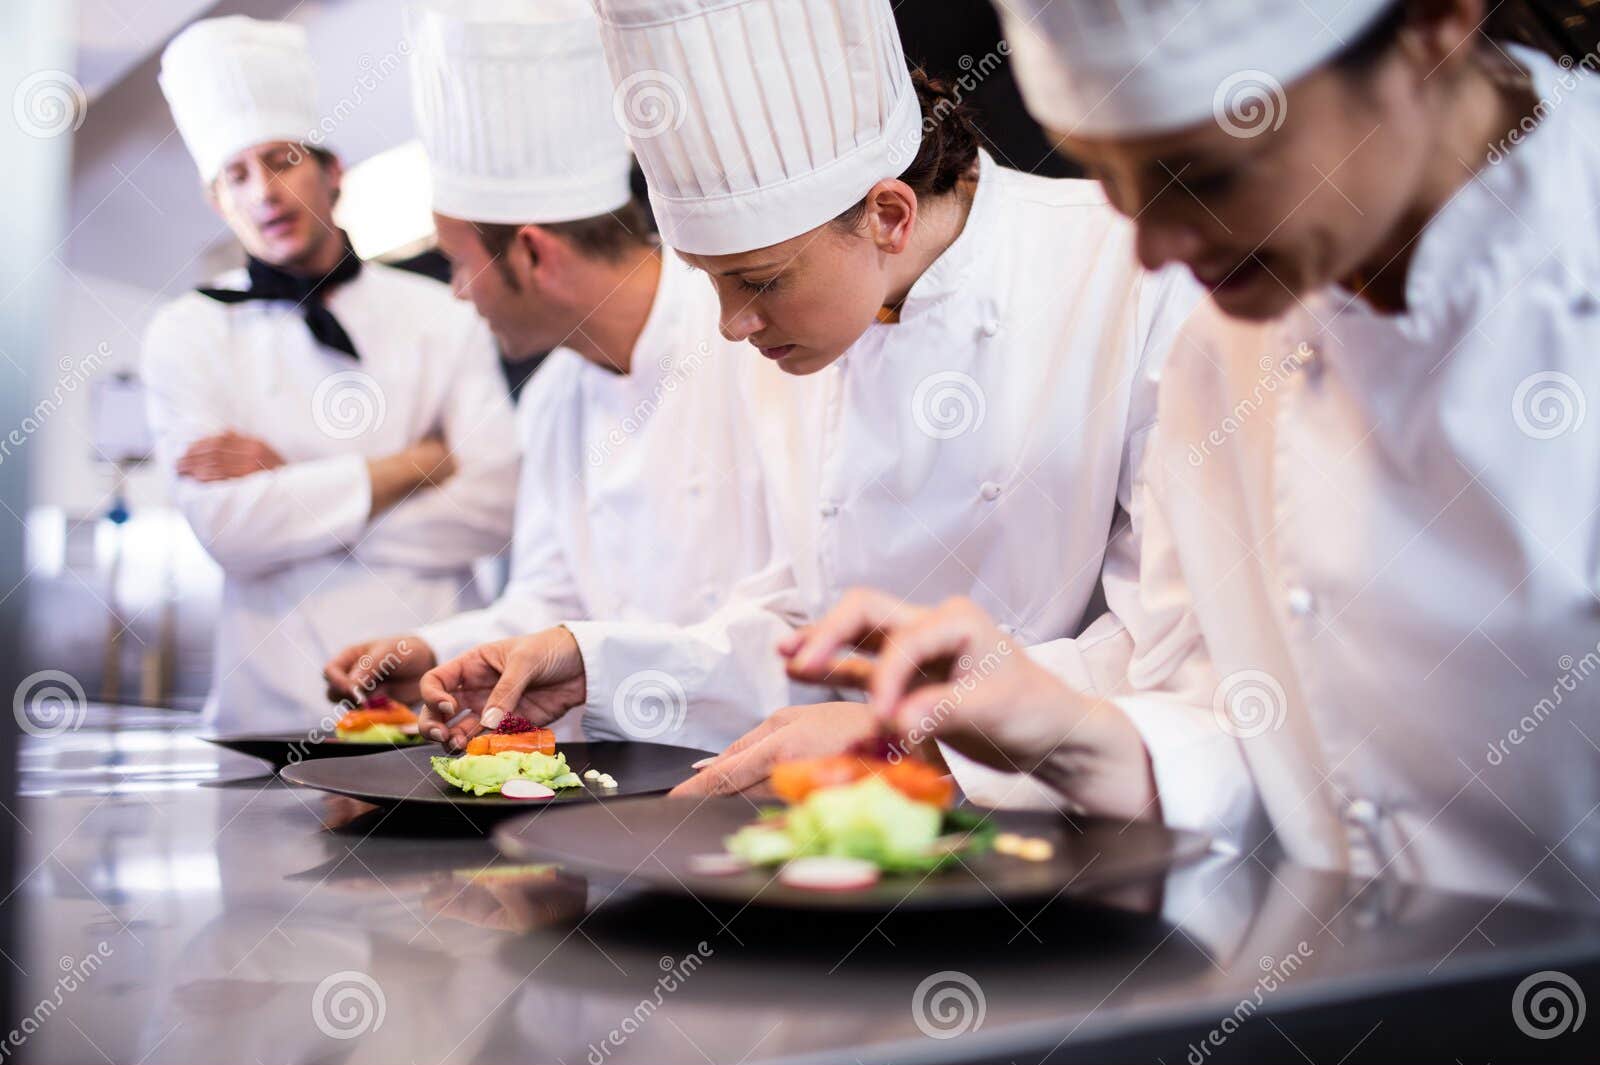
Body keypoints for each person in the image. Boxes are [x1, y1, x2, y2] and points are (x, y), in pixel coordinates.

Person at [789, 0, 1600, 908]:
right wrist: (1068, 729)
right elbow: (1256, 747)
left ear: (1433, 23)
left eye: (1204, 175)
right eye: (1111, 180)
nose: (1156, 249)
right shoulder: (1225, 351)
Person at [417, 0, 1199, 804]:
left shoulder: (1129, 274)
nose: (730, 325)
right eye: (711, 281)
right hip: (862, 831)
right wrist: (598, 660)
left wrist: (916, 734)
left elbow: (1162, 654)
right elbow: (805, 627)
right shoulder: (800, 336)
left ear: (887, 214)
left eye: (757, 282)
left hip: (1077, 843)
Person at [322, 0, 775, 741]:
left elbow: (798, 614)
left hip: (771, 783)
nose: (460, 295)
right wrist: (439, 649)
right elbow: (548, 597)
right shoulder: (556, 395)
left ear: (535, 253)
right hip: (610, 791)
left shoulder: (755, 335)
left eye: (462, 264)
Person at [141, 16, 517, 733]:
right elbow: (225, 530)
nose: (264, 194)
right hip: (263, 718)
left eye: (282, 161)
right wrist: (413, 466)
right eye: (236, 175)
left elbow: (491, 510)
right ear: (218, 201)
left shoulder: (445, 313)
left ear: (332, 171)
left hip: (432, 701)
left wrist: (292, 492)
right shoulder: (186, 329)